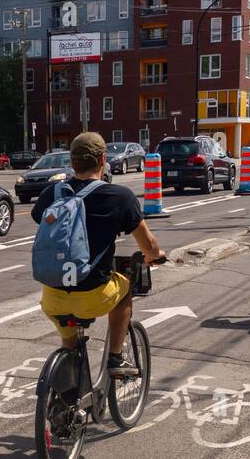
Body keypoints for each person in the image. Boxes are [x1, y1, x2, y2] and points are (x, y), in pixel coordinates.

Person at [31, 132, 166, 370]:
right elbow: (149, 244)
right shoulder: (119, 197)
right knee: (124, 290)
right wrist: (154, 256)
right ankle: (115, 358)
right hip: (93, 295)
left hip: (53, 296)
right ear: (103, 159)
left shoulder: (51, 194)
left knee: (69, 342)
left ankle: (67, 386)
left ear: (72, 162)